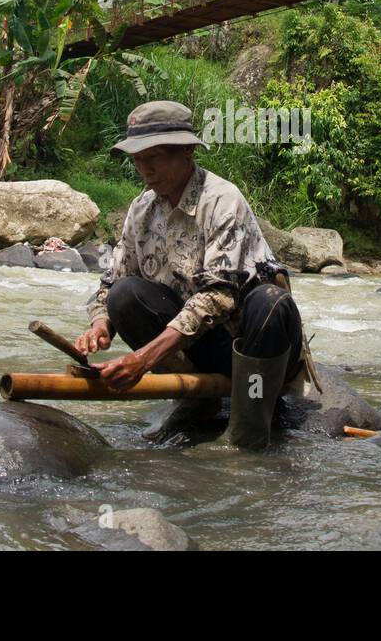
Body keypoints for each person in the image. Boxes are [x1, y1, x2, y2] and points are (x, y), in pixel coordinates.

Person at [73, 100, 311, 449]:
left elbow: (219, 296)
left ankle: (252, 423)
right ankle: (198, 399)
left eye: (153, 158)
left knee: (269, 301)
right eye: (138, 160)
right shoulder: (141, 210)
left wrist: (143, 359)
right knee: (124, 295)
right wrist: (100, 327)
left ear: (186, 153)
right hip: (202, 347)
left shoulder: (222, 200)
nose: (144, 170)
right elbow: (111, 282)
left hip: (254, 342)